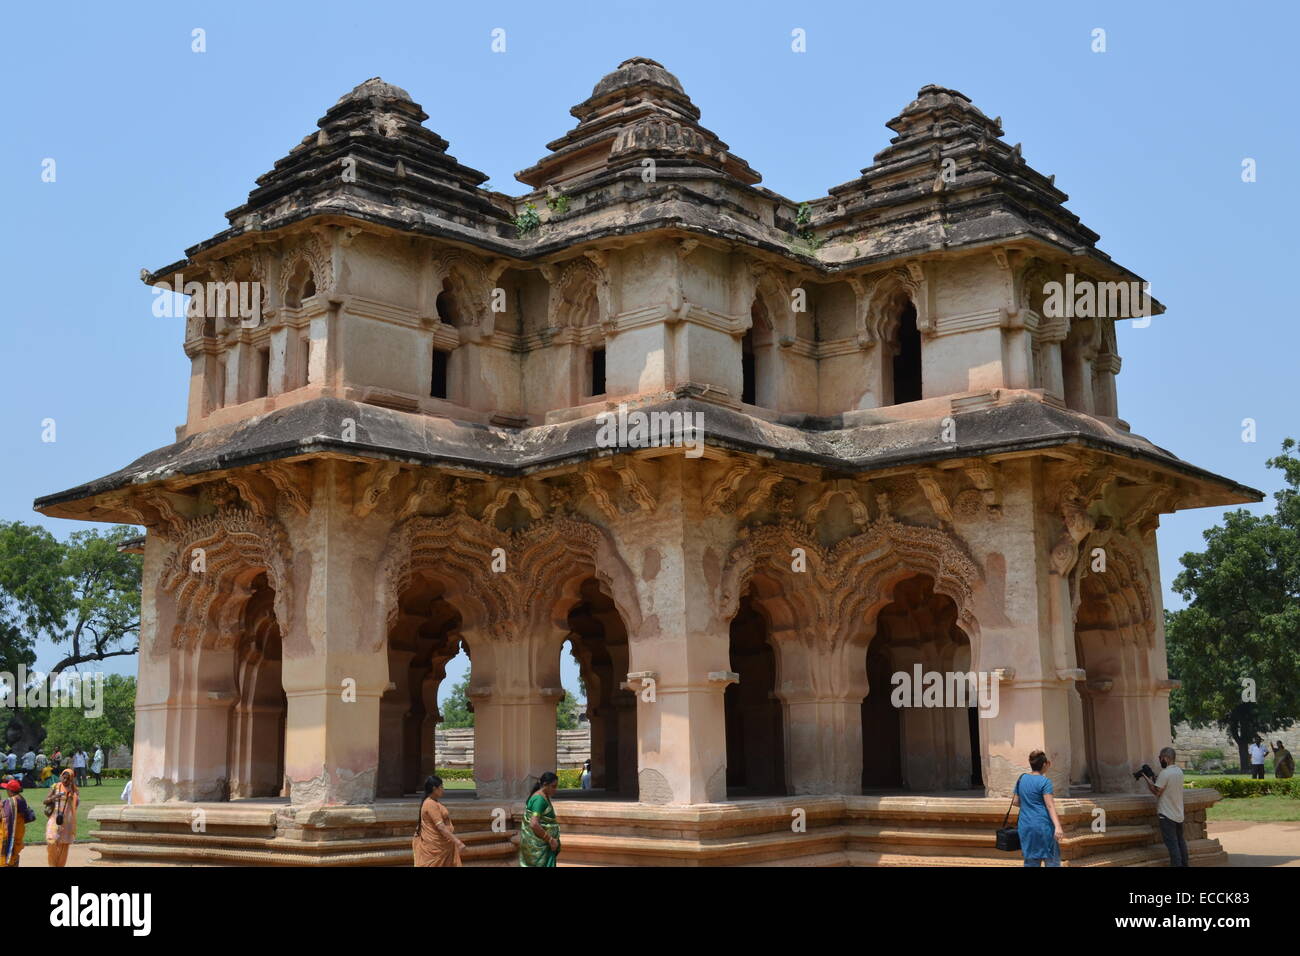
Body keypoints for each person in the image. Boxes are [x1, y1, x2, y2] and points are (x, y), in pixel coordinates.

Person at [1009, 749, 1065, 867]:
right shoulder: (1045, 782)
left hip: (1025, 826)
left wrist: (1030, 804)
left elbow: (1015, 801)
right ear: (1045, 764)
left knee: (1031, 861)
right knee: (1052, 860)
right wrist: (1058, 826)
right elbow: (1049, 805)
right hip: (1043, 826)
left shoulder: (1021, 779)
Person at [1143, 745, 1188, 867]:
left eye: (1160, 758)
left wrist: (1146, 778)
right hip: (1178, 814)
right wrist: (1154, 778)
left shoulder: (1165, 773)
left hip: (1167, 815)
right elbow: (1167, 785)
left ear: (1166, 758)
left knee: (1173, 846)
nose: (1159, 760)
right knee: (1180, 842)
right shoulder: (1178, 771)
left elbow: (1157, 792)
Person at [412, 775, 465, 867]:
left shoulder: (434, 802)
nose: (443, 790)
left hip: (443, 846)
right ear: (434, 788)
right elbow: (440, 827)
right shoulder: (430, 804)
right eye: (441, 787)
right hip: (436, 848)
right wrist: (457, 841)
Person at [519, 771, 561, 867]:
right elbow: (534, 824)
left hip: (543, 847)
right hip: (540, 847)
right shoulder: (539, 800)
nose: (555, 790)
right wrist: (550, 839)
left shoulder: (543, 796)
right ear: (545, 785)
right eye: (553, 786)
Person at [43, 769, 78, 867]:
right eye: (64, 777)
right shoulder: (55, 786)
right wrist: (55, 797)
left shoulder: (74, 789)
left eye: (68, 778)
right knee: (51, 841)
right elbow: (45, 801)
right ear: (61, 776)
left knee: (64, 845)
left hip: (67, 820)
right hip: (54, 818)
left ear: (71, 779)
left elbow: (76, 804)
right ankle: (52, 864)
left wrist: (72, 796)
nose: (65, 780)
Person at [0, 778, 35, 866]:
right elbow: (30, 817)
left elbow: (4, 817)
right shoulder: (22, 800)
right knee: (14, 854)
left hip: (10, 834)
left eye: (7, 789)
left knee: (6, 857)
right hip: (18, 832)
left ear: (10, 790)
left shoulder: (11, 802)